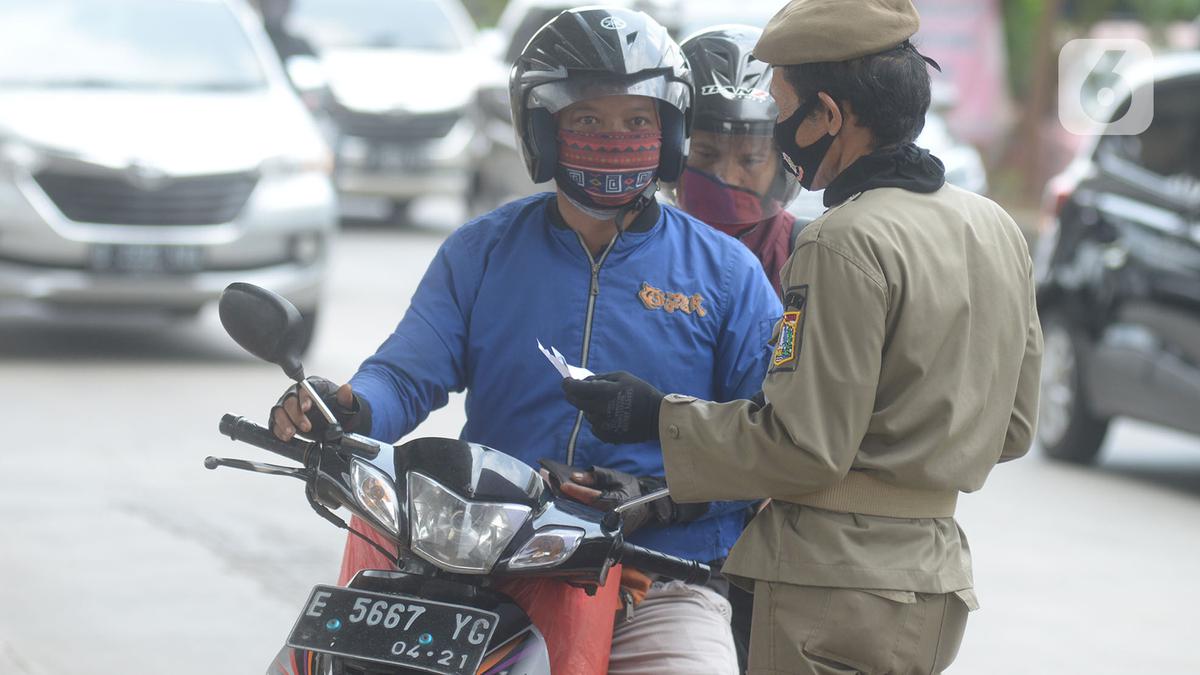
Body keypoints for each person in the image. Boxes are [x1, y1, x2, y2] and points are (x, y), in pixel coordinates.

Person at [267, 7, 780, 674]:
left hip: (660, 579)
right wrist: (349, 407)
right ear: (543, 130)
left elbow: (769, 440)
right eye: (588, 120)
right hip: (486, 565)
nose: (614, 138)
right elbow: (405, 372)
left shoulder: (728, 274)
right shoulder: (483, 251)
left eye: (636, 121)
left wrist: (658, 497)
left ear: (669, 132)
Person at [561, 0, 1044, 673]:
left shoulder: (841, 241)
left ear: (828, 117)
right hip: (935, 582)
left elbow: (803, 447)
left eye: (783, 109)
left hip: (831, 587)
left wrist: (654, 416)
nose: (779, 132)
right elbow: (1014, 429)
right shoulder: (993, 227)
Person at [670, 25, 801, 298]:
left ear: (782, 164)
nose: (726, 177)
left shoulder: (805, 254)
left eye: (751, 159)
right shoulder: (635, 250)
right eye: (706, 154)